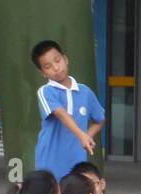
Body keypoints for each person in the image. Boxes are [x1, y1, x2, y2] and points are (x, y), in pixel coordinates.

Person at [32, 41, 104, 180]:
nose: (56, 68)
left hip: (77, 165)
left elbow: (100, 119)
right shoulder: (46, 91)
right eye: (48, 66)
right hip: (49, 164)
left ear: (66, 59)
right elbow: (61, 113)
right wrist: (81, 135)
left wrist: (88, 135)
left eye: (58, 60)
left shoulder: (85, 92)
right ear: (42, 73)